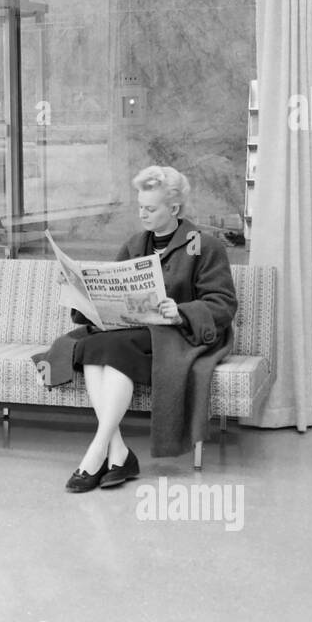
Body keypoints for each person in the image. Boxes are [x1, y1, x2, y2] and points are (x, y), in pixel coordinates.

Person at [34, 166, 237, 492]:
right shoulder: (134, 244)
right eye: (140, 206)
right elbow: (111, 292)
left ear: (173, 208)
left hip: (176, 335)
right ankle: (118, 453)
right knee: (91, 347)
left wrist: (181, 312)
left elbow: (224, 304)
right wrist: (78, 291)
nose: (142, 213)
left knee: (106, 348)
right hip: (134, 332)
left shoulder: (206, 246)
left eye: (151, 208)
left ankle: (97, 453)